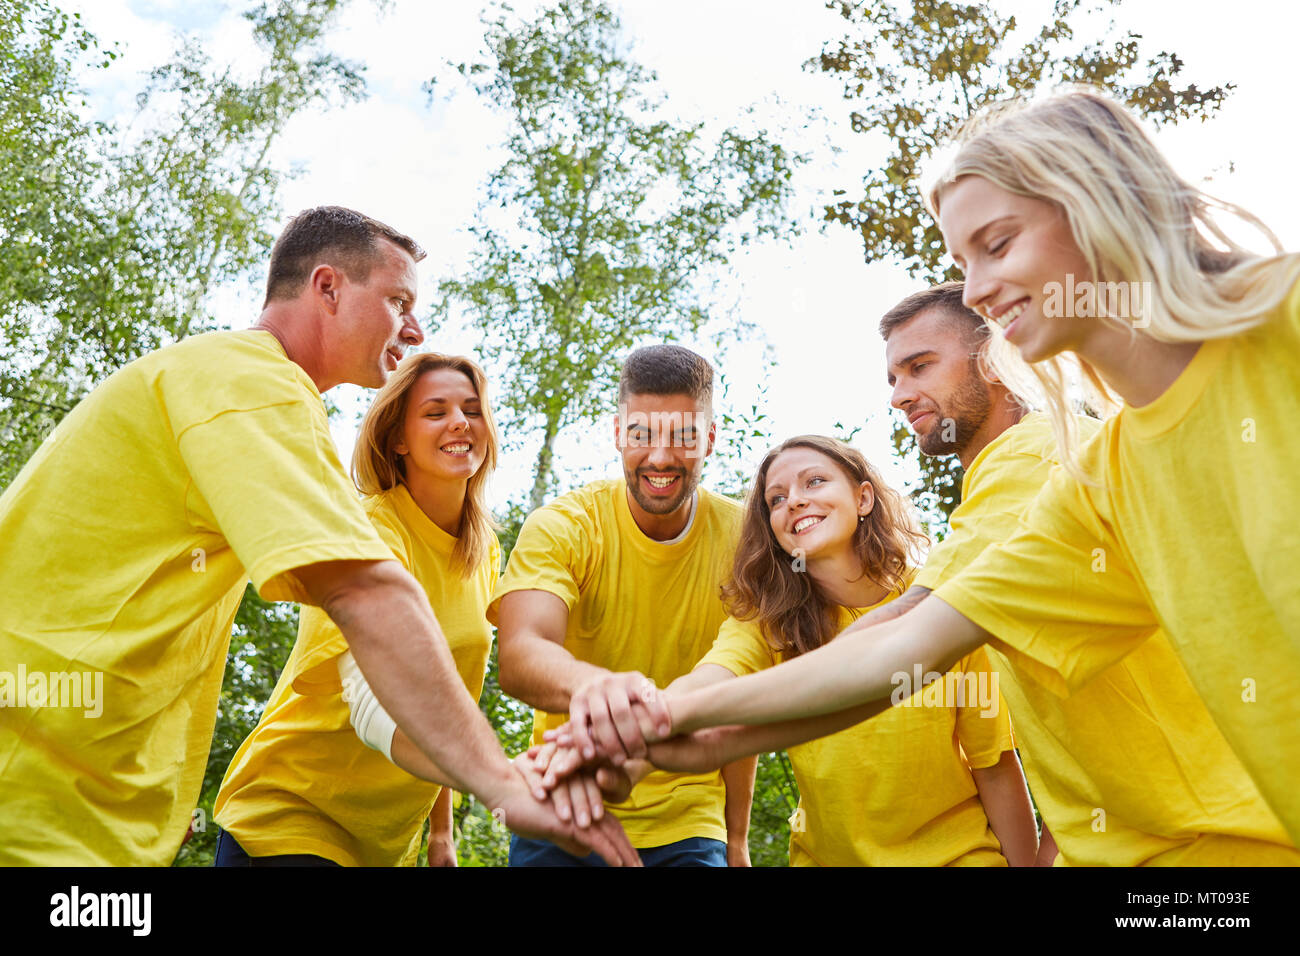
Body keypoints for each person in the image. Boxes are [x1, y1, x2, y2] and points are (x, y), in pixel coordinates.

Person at [621, 86, 1300, 850]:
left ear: (1098, 203)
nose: (976, 289)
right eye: (961, 261)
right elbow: (907, 646)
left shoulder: (1276, 327)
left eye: (999, 244)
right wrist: (680, 728)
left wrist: (679, 723)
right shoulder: (1096, 483)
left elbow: (909, 632)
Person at [0, 206, 636, 866]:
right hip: (37, 783)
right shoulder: (251, 383)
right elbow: (368, 597)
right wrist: (506, 782)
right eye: (398, 301)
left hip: (76, 793)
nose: (413, 330)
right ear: (328, 288)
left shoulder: (231, 383)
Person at [878, 282, 1297, 865]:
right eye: (893, 380)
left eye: (919, 366)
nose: (900, 395)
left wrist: (731, 704)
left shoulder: (1033, 456)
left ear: (998, 360)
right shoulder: (1046, 458)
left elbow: (905, 627)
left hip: (1209, 846)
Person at [662, 435, 1036, 865]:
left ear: (863, 498)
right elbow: (710, 678)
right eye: (776, 499)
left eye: (814, 482)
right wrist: (649, 710)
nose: (795, 502)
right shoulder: (768, 623)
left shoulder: (942, 598)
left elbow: (994, 765)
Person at [491, 344, 754, 866]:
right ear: (618, 434)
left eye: (683, 436)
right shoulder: (565, 525)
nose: (660, 457)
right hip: (565, 798)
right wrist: (600, 688)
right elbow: (520, 656)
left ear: (710, 438)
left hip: (689, 821)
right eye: (641, 435)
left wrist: (737, 838)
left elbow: (741, 695)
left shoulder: (746, 540)